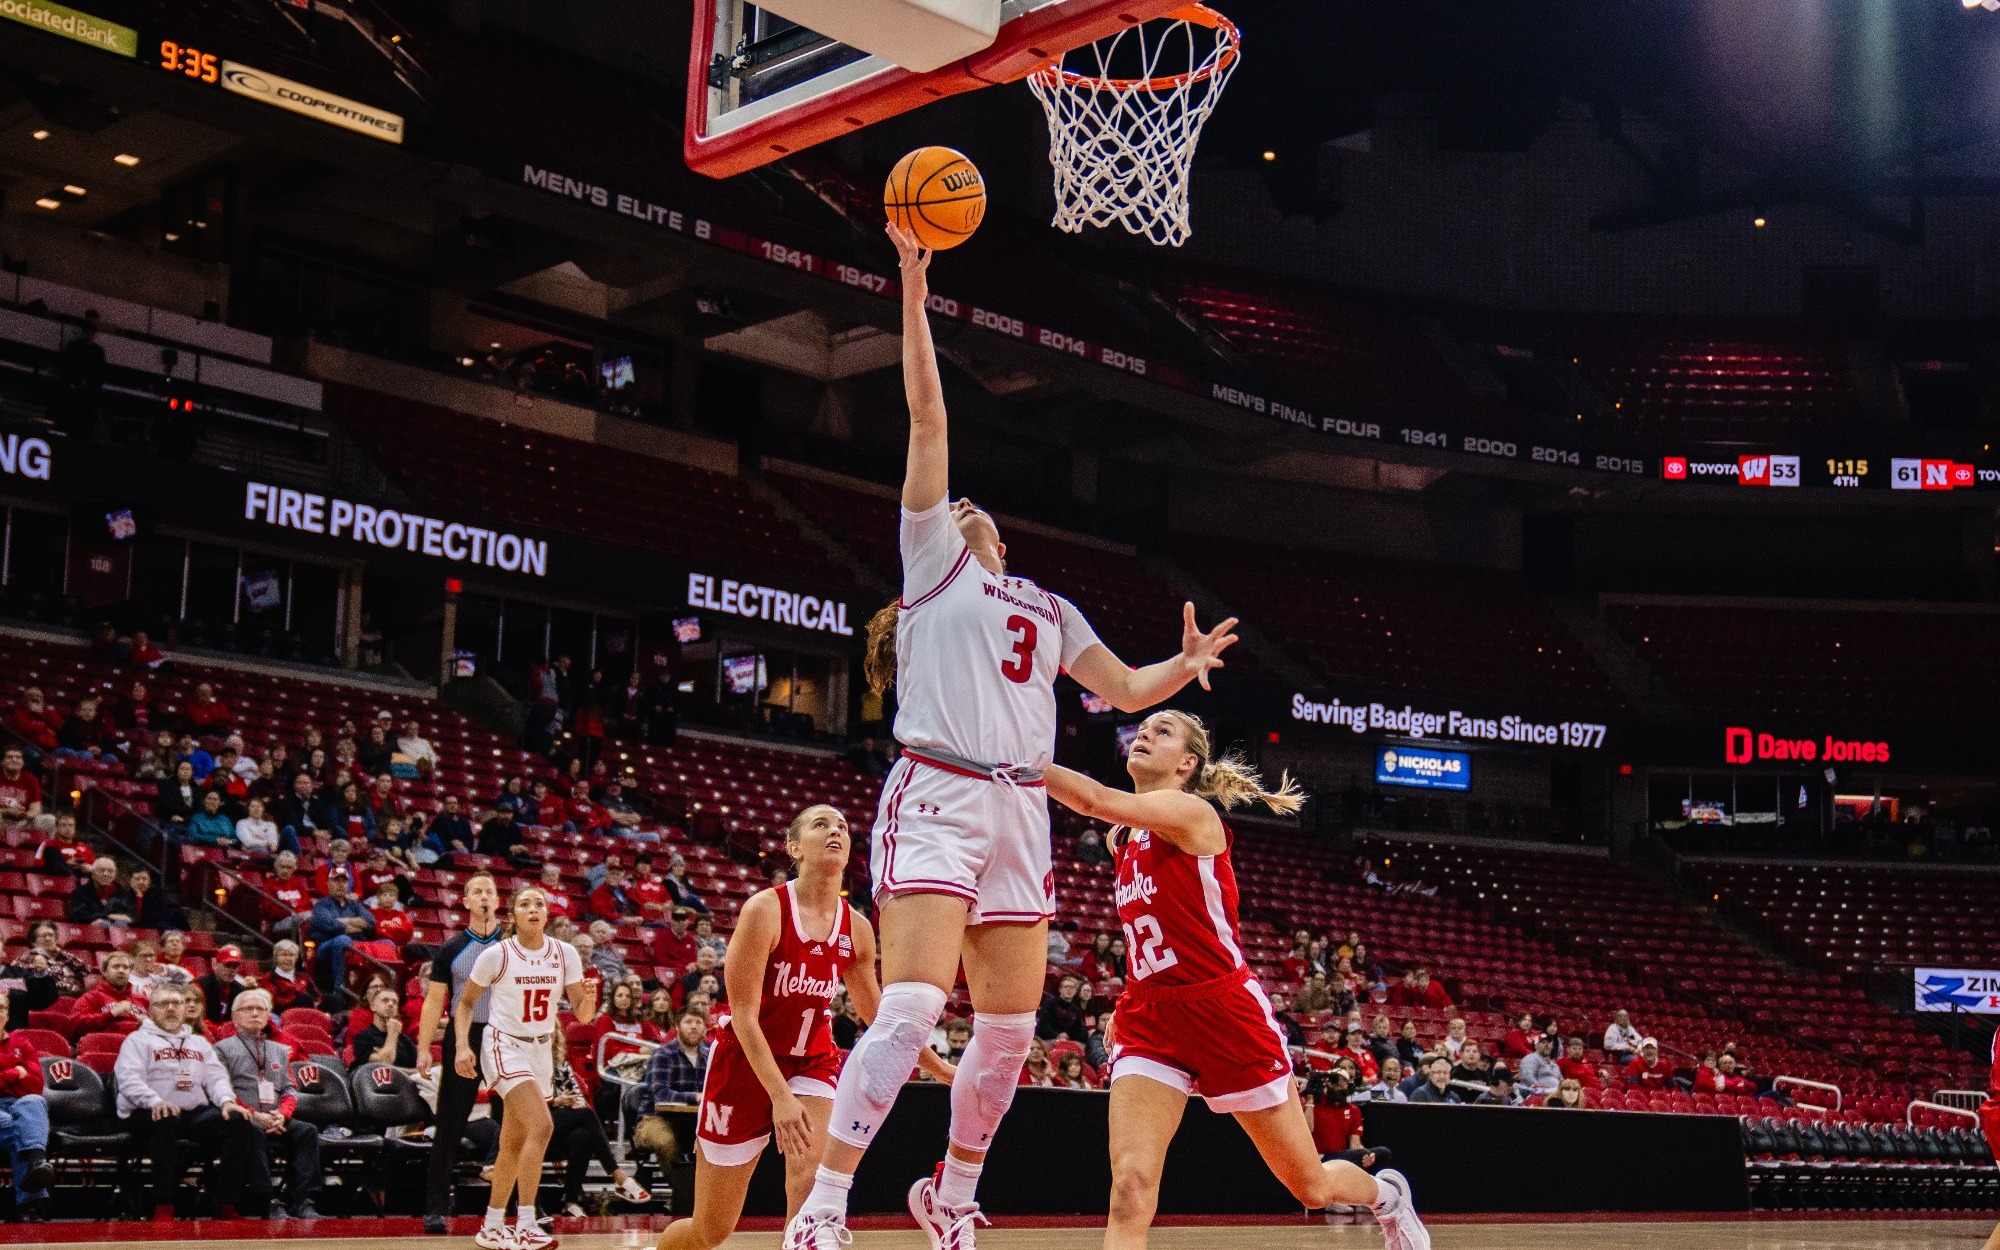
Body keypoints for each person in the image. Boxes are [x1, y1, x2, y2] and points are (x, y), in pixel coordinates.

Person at [786, 223, 1240, 1250]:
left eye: (970, 506)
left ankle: (948, 1195)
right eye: (950, 502)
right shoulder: (931, 562)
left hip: (1017, 807)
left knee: (1008, 1032)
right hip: (939, 790)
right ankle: (822, 1202)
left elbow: (1122, 688)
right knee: (906, 1011)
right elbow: (927, 415)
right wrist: (911, 297)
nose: (960, 502)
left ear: (1005, 537)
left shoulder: (1046, 602)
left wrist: (1179, 668)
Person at [1037, 711, 1427, 1250]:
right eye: (1144, 728)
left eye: (1164, 730)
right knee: (1129, 1186)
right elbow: (1149, 931)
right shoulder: (1122, 837)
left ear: (1188, 763)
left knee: (1310, 1186)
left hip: (1224, 1012)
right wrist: (1132, 999)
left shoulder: (1190, 812)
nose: (1146, 734)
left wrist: (1014, 753)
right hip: (1151, 1018)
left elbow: (1095, 799)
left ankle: (1387, 1197)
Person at [657, 804, 952, 1250]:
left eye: (843, 827)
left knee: (812, 1172)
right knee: (711, 1228)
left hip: (812, 1060)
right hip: (745, 1065)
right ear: (794, 847)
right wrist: (779, 1096)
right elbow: (744, 1017)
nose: (835, 831)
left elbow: (879, 1013)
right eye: (821, 825)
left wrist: (937, 1065)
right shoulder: (764, 910)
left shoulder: (856, 927)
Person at [453, 886, 596, 1250]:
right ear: (512, 915)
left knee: (513, 1142)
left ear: (547, 914)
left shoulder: (565, 954)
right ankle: (528, 1223)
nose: (533, 909)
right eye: (524, 904)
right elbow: (466, 1003)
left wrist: (590, 998)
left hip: (541, 1050)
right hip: (504, 1044)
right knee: (542, 1125)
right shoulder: (497, 954)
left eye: (540, 904)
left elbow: (583, 1014)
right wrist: (461, 1046)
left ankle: (492, 1224)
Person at [112, 983, 270, 1218]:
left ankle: (227, 1201)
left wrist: (227, 1101)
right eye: (162, 1004)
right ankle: (163, 1203)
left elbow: (216, 1077)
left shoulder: (198, 1043)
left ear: (185, 1008)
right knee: (165, 1120)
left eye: (176, 1003)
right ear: (151, 1010)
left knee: (237, 1121)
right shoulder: (137, 1040)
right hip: (147, 1111)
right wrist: (155, 1101)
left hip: (193, 1112)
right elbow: (128, 1079)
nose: (170, 1008)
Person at [417, 870, 503, 1233]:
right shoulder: (451, 949)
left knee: (514, 1122)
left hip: (504, 1037)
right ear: (466, 902)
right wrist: (424, 1048)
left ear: (498, 901)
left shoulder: (513, 946)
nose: (484, 896)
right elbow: (435, 1001)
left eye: (490, 891)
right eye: (477, 891)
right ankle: (434, 1208)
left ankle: (524, 1204)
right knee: (449, 1124)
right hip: (463, 1036)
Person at [214, 989, 321, 1218]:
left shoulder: (280, 1050)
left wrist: (282, 1114)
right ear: (233, 1017)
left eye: (260, 1009)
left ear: (268, 1016)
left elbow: (290, 1087)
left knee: (307, 1131)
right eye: (247, 1009)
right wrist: (253, 1114)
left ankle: (304, 1200)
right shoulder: (221, 1049)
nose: (255, 1013)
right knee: (251, 1131)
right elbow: (223, 1088)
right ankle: (267, 1200)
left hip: (275, 1115)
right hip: (247, 1116)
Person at [542, 1028, 651, 1216]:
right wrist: (555, 1101)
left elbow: (576, 1093)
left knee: (582, 1136)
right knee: (586, 1114)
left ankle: (571, 1202)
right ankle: (618, 1175)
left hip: (560, 1126)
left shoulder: (561, 1063)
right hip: (535, 1122)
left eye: (552, 1031)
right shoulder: (527, 1062)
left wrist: (571, 1100)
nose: (548, 1035)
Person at [632, 1007, 711, 1172]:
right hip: (656, 1117)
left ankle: (701, 1192)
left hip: (697, 1119)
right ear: (677, 1026)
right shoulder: (663, 1054)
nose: (694, 1026)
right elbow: (661, 1094)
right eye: (688, 1022)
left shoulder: (710, 1055)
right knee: (665, 1142)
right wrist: (695, 1097)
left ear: (705, 1028)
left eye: (698, 1022)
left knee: (715, 1144)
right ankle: (682, 1193)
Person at [0, 991, 54, 1218]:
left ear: (7, 1013)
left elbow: (34, 1084)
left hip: (19, 1104)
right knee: (22, 1130)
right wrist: (14, 1073)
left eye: (1, 1008)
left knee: (34, 1101)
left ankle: (34, 1161)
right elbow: (22, 1076)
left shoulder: (21, 1043)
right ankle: (32, 1203)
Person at [308, 872, 377, 996]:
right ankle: (339, 990)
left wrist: (345, 921)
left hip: (357, 945)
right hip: (326, 946)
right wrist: (355, 925)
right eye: (336, 881)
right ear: (329, 884)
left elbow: (371, 922)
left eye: (344, 881)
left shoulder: (354, 904)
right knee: (343, 940)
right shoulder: (321, 904)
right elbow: (329, 924)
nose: (340, 885)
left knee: (388, 943)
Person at [73, 949, 143, 1035]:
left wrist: (149, 1023)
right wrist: (111, 1014)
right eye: (116, 966)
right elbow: (75, 1025)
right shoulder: (91, 997)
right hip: (107, 1044)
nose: (121, 970)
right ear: (104, 972)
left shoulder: (143, 1000)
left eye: (126, 967)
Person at [351, 986, 418, 1067]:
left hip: (403, 1080)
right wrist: (392, 1033)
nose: (390, 1004)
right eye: (385, 1000)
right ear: (373, 1007)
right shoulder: (363, 1037)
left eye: (395, 1002)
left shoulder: (406, 1041)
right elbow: (385, 1064)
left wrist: (399, 1072)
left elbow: (419, 1071)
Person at [196, 945, 256, 1024]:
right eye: (227, 965)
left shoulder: (239, 990)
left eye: (235, 966)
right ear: (216, 965)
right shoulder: (201, 986)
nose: (231, 970)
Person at [69, 857, 137, 925]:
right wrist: (108, 916)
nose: (106, 874)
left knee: (120, 924)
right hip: (90, 931)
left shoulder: (123, 895)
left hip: (118, 931)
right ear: (93, 874)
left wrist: (127, 919)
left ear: (114, 875)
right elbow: (78, 914)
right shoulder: (80, 893)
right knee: (103, 924)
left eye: (110, 871)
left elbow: (131, 916)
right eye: (102, 870)